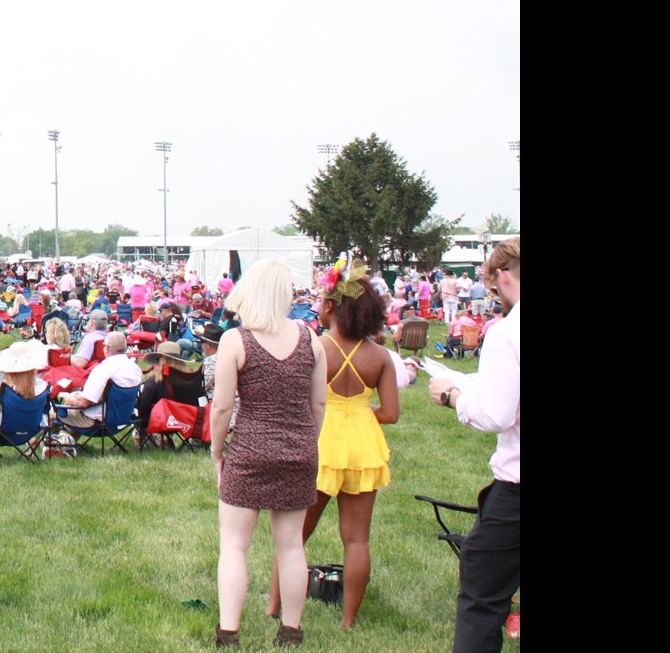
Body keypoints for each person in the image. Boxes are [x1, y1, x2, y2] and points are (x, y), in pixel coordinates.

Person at [266, 259, 398, 631]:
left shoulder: (314, 347)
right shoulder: (380, 356)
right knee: (357, 541)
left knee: (294, 537)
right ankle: (348, 620)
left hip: (320, 442)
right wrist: (361, 412)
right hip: (363, 446)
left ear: (330, 307)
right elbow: (391, 413)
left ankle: (274, 607)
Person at [210, 258, 326, 648]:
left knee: (234, 545)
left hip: (249, 451)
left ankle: (229, 632)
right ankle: (291, 630)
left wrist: (217, 450)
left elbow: (222, 407)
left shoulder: (236, 340)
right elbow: (318, 404)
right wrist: (307, 442)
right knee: (291, 546)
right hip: (299, 450)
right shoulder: (311, 338)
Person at [428, 238, 519, 653]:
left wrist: (453, 397)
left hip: (515, 492)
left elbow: (496, 415)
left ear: (501, 276)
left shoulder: (508, 333)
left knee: (481, 595)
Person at [58, 332, 142, 429]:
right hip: (123, 420)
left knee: (53, 412)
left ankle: (56, 436)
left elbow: (84, 403)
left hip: (97, 423)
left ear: (107, 348)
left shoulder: (103, 369)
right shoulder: (136, 369)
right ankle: (67, 436)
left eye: (104, 346)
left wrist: (68, 398)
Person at [135, 340, 207, 430]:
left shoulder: (156, 379)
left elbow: (144, 405)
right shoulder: (191, 377)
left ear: (160, 359)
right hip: (188, 420)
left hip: (162, 421)